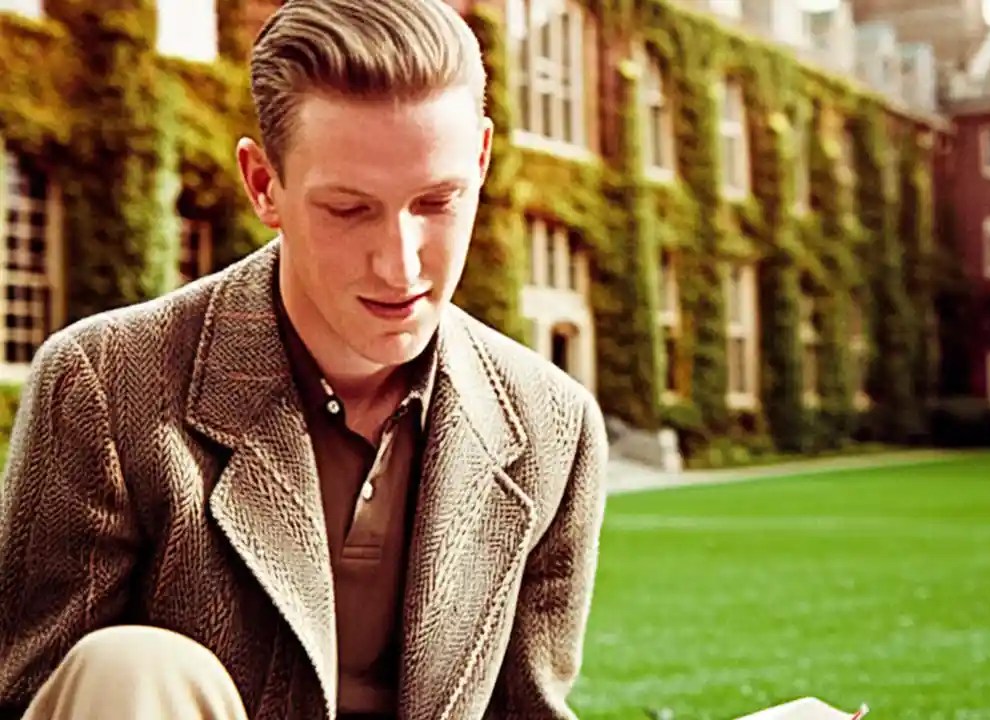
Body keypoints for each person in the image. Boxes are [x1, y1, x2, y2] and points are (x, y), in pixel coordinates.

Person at [0, 1, 609, 718]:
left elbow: (529, 706)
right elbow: (28, 697)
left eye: (438, 201)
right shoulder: (104, 382)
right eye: (350, 210)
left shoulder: (554, 426)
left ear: (480, 158)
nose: (400, 264)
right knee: (131, 667)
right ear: (263, 184)